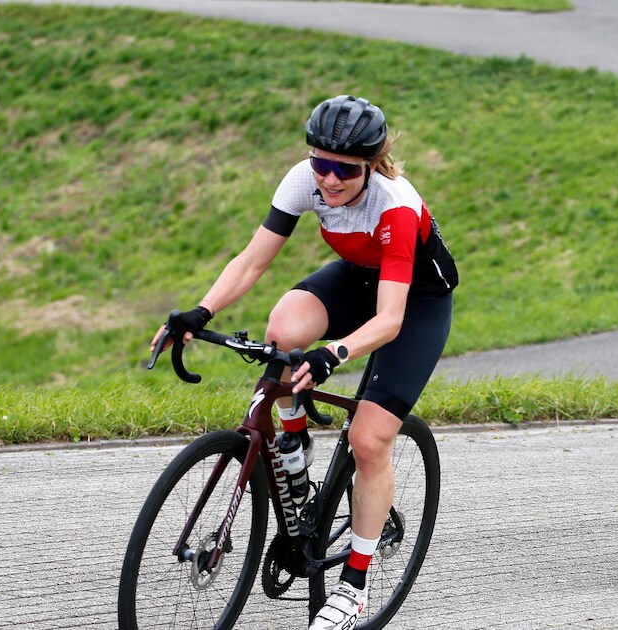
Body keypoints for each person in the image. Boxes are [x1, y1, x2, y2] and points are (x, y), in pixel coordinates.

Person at [150, 95, 458, 629]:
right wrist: (201, 311)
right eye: (321, 163)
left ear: (372, 164)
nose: (330, 180)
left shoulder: (396, 206)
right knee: (282, 333)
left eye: (345, 170)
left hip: (414, 305)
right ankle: (292, 446)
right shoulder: (303, 179)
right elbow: (251, 260)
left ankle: (354, 586)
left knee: (368, 439)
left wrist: (334, 352)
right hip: (357, 278)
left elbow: (389, 321)